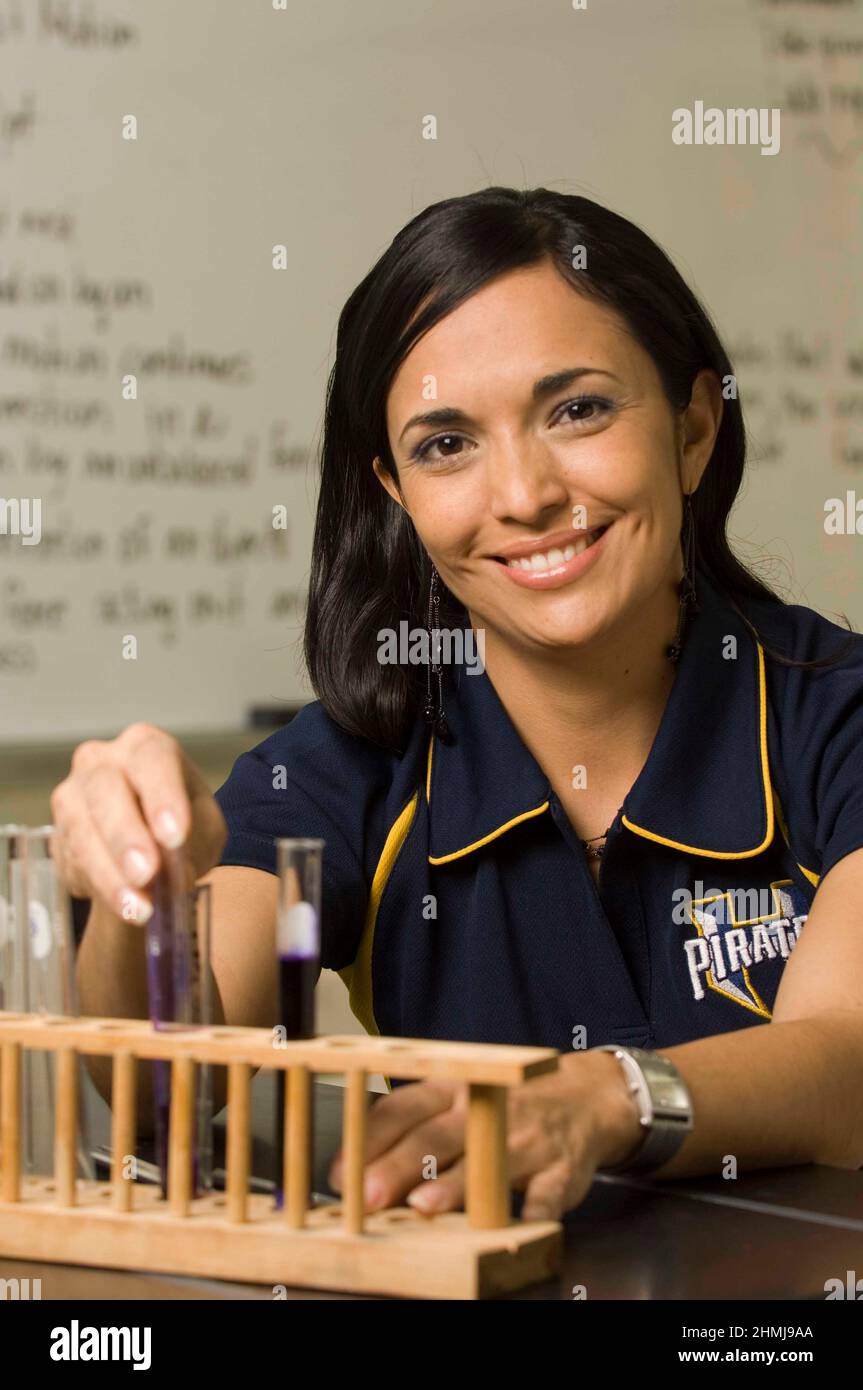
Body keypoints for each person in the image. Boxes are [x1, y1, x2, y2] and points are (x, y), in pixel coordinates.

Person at [55, 187, 863, 1223]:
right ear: (393, 488)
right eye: (445, 444)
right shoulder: (347, 767)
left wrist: (607, 1098)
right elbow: (165, 1085)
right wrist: (140, 900)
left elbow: (844, 1068)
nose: (522, 493)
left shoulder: (831, 716)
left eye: (576, 409)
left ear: (694, 426)